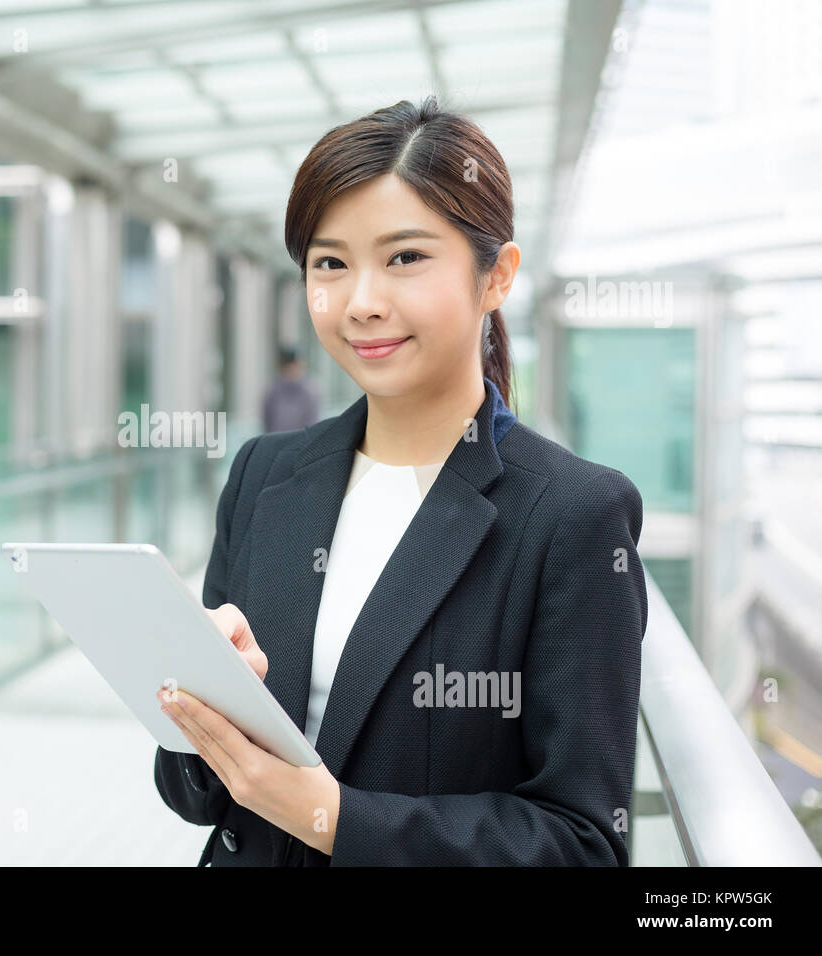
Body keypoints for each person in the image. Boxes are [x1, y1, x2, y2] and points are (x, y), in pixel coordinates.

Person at [152, 95, 648, 866]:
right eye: (330, 264)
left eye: (406, 258)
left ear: (497, 276)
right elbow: (194, 797)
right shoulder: (265, 476)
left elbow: (584, 843)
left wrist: (333, 819)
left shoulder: (571, 516)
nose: (362, 303)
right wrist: (202, 698)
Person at [262, 348, 320, 433]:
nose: (291, 371)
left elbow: (312, 422)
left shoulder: (309, 391)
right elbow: (267, 420)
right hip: (277, 441)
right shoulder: (273, 391)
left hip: (302, 442)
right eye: (288, 367)